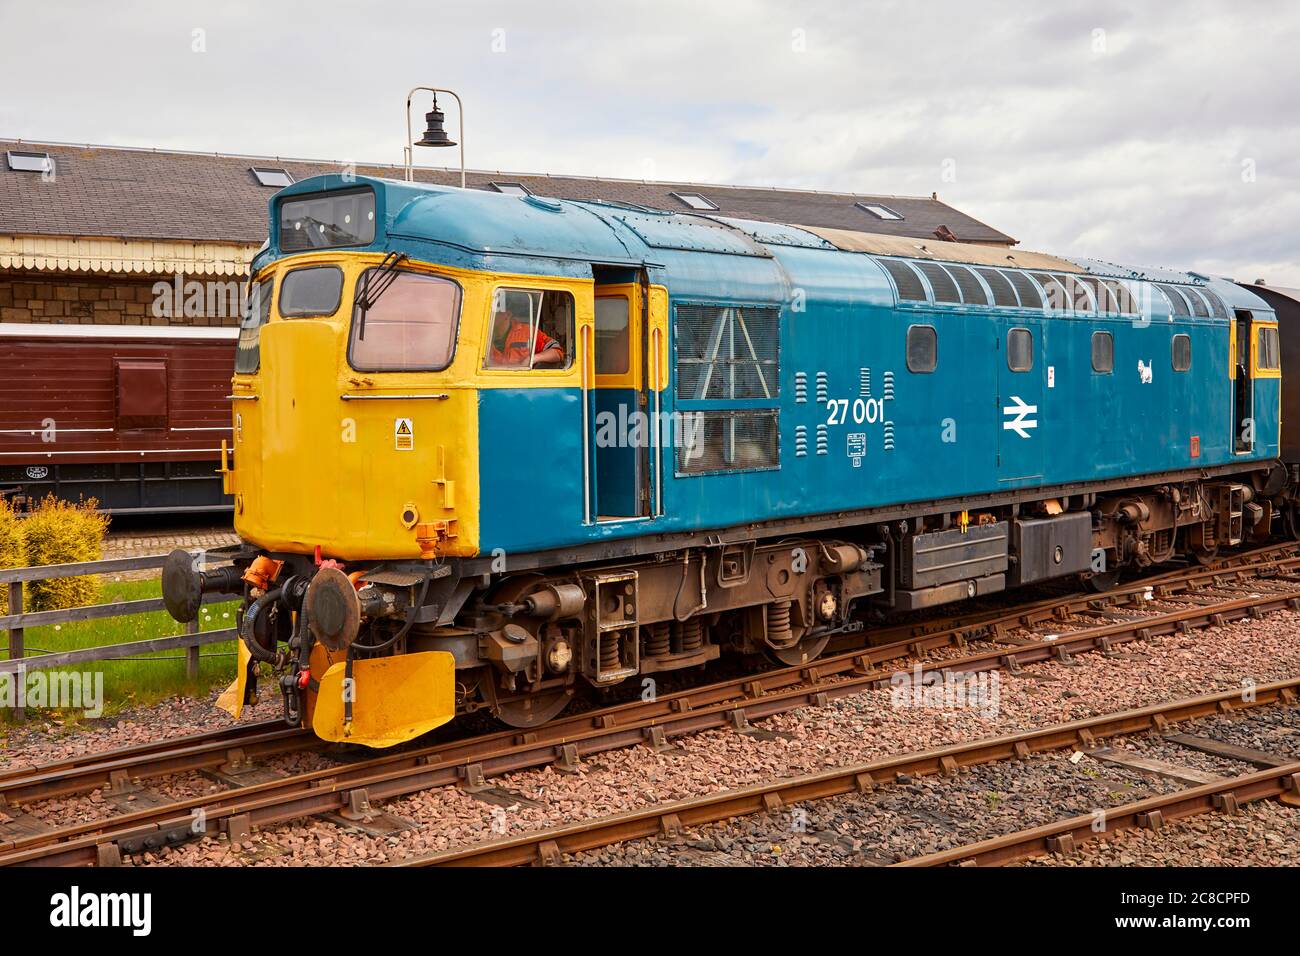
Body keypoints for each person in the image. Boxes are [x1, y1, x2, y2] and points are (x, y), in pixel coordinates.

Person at [488, 300, 565, 368]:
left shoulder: (528, 332)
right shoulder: (482, 335)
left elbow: (557, 353)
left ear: (507, 315)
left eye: (495, 312)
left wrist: (532, 359)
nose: (490, 315)